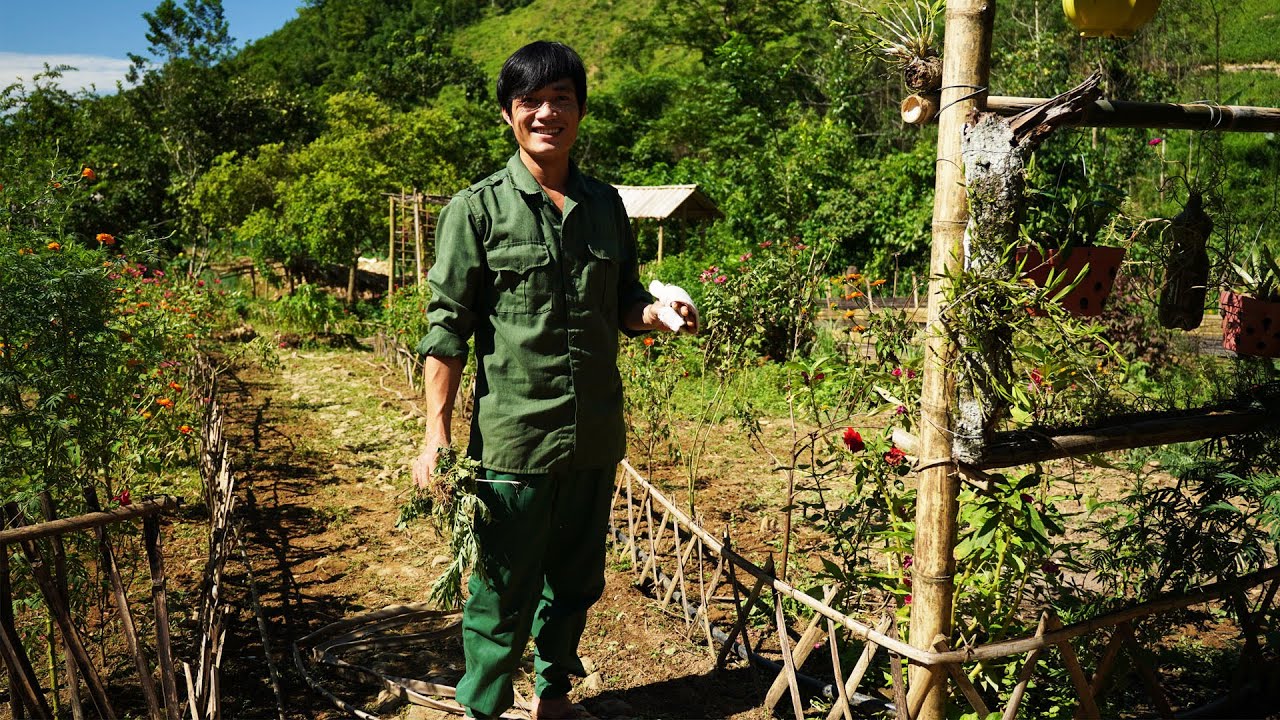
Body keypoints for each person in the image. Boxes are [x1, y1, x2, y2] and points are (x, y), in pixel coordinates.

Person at [411, 41, 698, 720]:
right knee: (501, 590)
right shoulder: (476, 211)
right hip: (515, 441)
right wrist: (435, 436)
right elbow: (446, 332)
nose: (547, 113)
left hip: (595, 435)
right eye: (531, 102)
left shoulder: (605, 207)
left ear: (580, 110)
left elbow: (624, 301)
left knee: (576, 582)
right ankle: (482, 707)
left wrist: (657, 313)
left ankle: (553, 695)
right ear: (510, 115)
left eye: (561, 99)